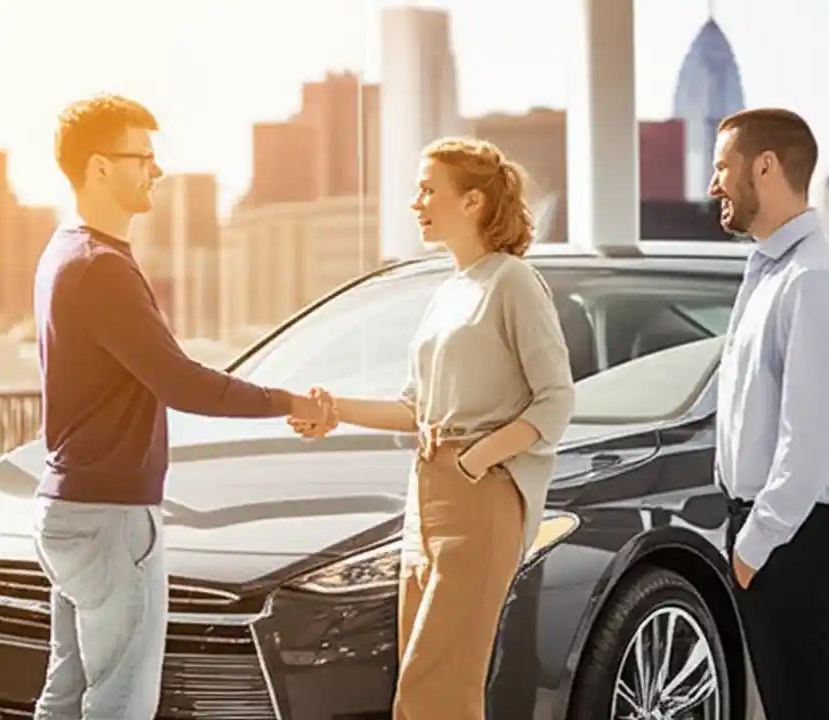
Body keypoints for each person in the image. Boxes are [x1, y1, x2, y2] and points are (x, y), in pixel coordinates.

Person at [31, 93, 329, 720]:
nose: (155, 171)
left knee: (68, 691)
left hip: (69, 506)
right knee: (121, 700)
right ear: (99, 168)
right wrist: (289, 401)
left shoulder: (65, 251)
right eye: (141, 157)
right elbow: (183, 384)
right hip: (110, 517)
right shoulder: (99, 266)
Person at [289, 136, 576, 720]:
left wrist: (478, 458)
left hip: (481, 499)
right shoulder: (448, 290)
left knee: (435, 689)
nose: (415, 202)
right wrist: (331, 407)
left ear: (472, 202)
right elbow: (415, 407)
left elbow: (556, 401)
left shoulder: (512, 282)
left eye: (428, 189)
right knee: (424, 687)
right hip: (426, 499)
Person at [708, 107, 829, 720]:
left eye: (722, 165)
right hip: (782, 531)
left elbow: (813, 436)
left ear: (766, 165)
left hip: (801, 535)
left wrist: (756, 544)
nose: (713, 183)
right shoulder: (773, 273)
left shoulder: (815, 281)